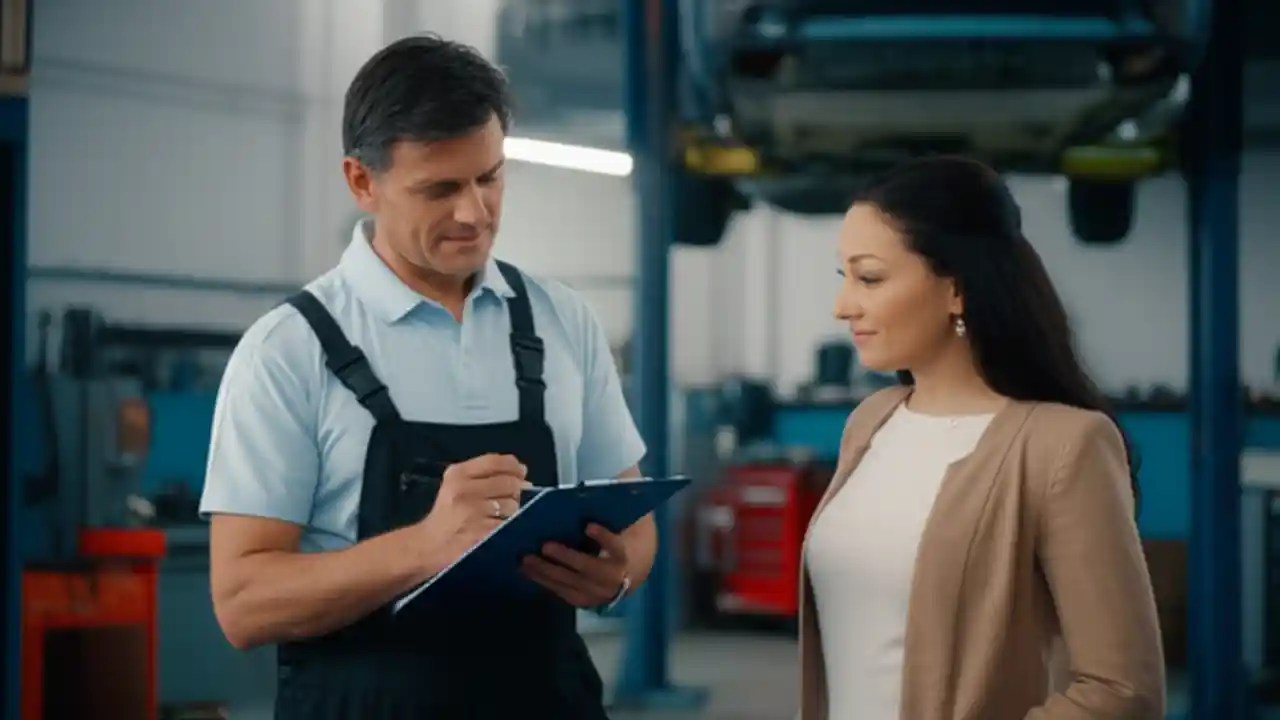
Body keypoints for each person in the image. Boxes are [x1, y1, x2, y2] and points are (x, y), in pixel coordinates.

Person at [199, 34, 655, 719]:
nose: (474, 213)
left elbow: (635, 520)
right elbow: (242, 604)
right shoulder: (288, 351)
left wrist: (617, 574)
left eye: (489, 177)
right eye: (439, 189)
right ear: (362, 182)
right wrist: (425, 546)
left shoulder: (562, 321)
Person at [797, 156, 1166, 719]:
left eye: (869, 277)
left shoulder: (1062, 445)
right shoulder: (871, 422)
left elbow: (1121, 691)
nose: (843, 305)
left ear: (958, 290)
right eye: (843, 277)